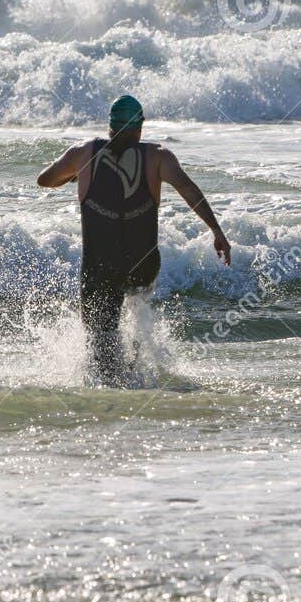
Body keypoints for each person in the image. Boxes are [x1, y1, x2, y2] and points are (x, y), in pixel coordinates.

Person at [36, 95, 231, 385]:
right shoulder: (158, 156)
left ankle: (113, 386)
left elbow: (45, 180)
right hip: (143, 264)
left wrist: (75, 175)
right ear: (140, 127)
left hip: (100, 266)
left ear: (110, 127)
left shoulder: (83, 153)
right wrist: (217, 232)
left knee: (100, 337)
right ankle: (138, 370)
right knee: (136, 311)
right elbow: (190, 191)